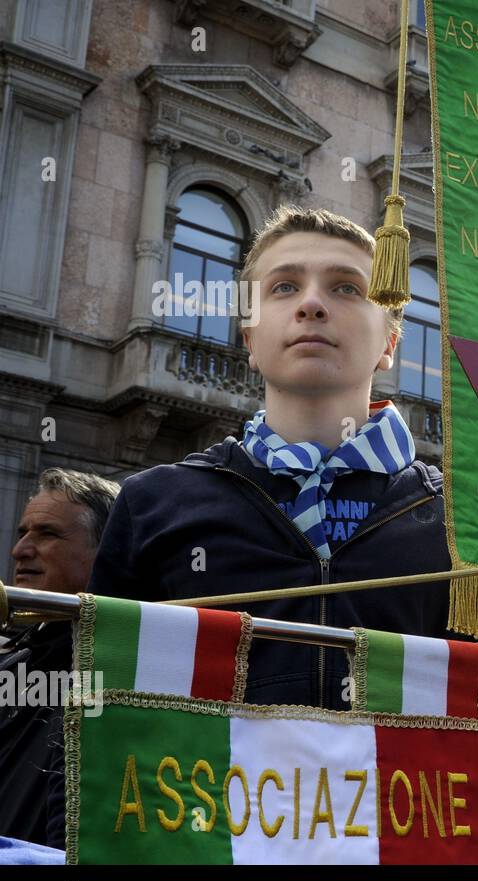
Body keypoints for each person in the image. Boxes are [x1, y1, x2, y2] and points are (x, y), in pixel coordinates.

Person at [87, 206, 451, 709]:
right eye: (283, 287)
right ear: (250, 340)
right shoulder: (153, 503)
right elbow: (100, 714)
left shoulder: (461, 521)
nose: (312, 305)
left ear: (389, 343)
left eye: (346, 287)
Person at [0, 468, 120, 848]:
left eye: (47, 533)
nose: (20, 550)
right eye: (22, 534)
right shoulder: (10, 661)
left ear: (108, 553)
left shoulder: (128, 669)